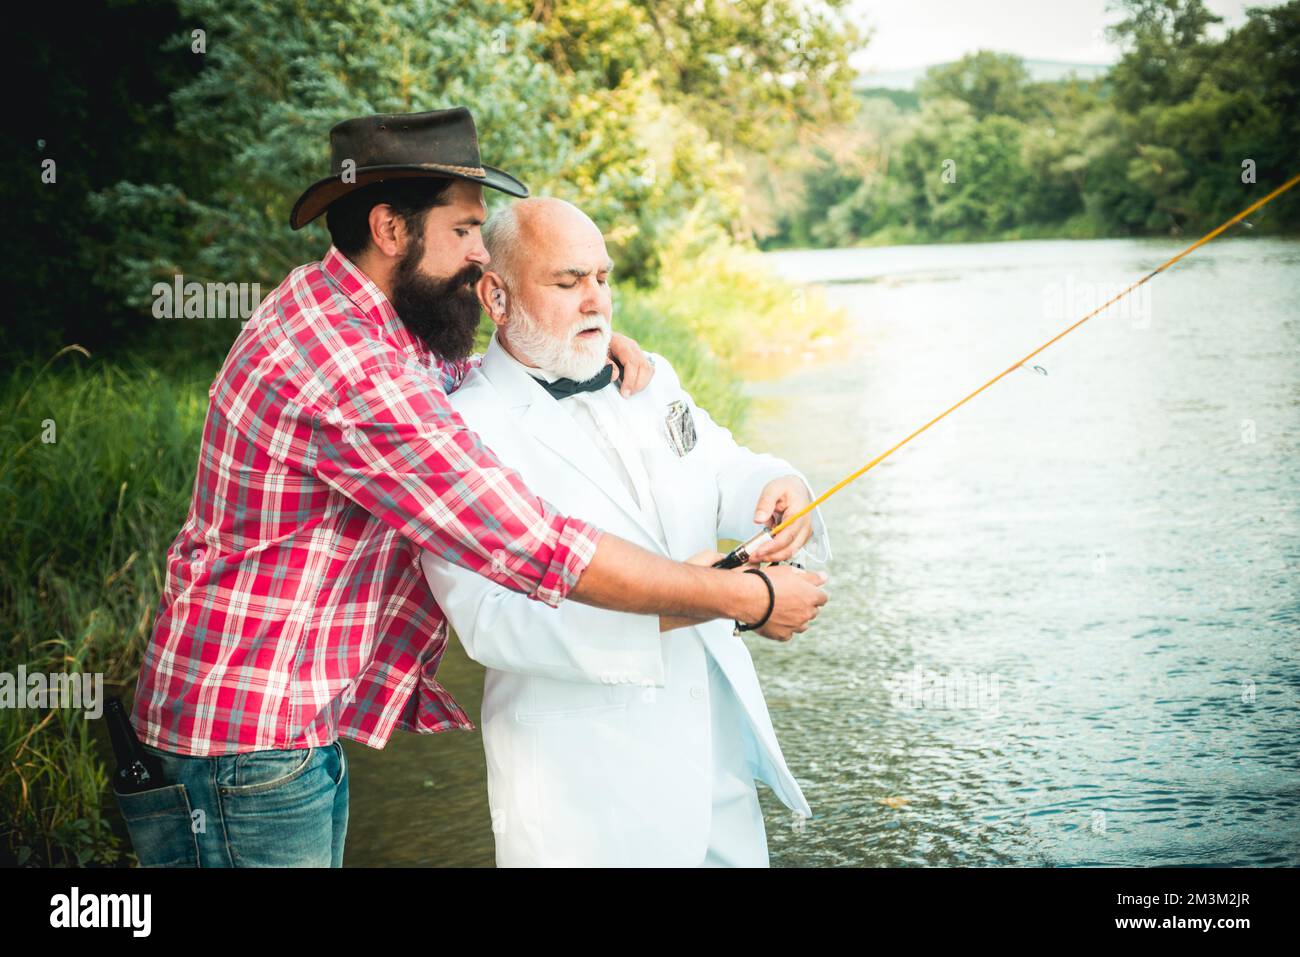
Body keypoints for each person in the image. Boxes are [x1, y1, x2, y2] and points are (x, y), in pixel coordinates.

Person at [115, 107, 829, 868]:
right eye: (462, 230)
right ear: (392, 230)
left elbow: (472, 372)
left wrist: (581, 338)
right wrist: (741, 599)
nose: (477, 253)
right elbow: (537, 545)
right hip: (241, 746)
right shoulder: (351, 368)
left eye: (600, 280)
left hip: (280, 731)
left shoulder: (359, 317)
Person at [421, 196, 832, 866]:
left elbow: (725, 468)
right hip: (588, 796)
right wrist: (706, 595)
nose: (595, 301)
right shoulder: (462, 431)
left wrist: (781, 488)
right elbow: (493, 624)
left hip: (717, 763)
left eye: (603, 279)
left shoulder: (647, 376)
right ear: (496, 295)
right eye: (567, 281)